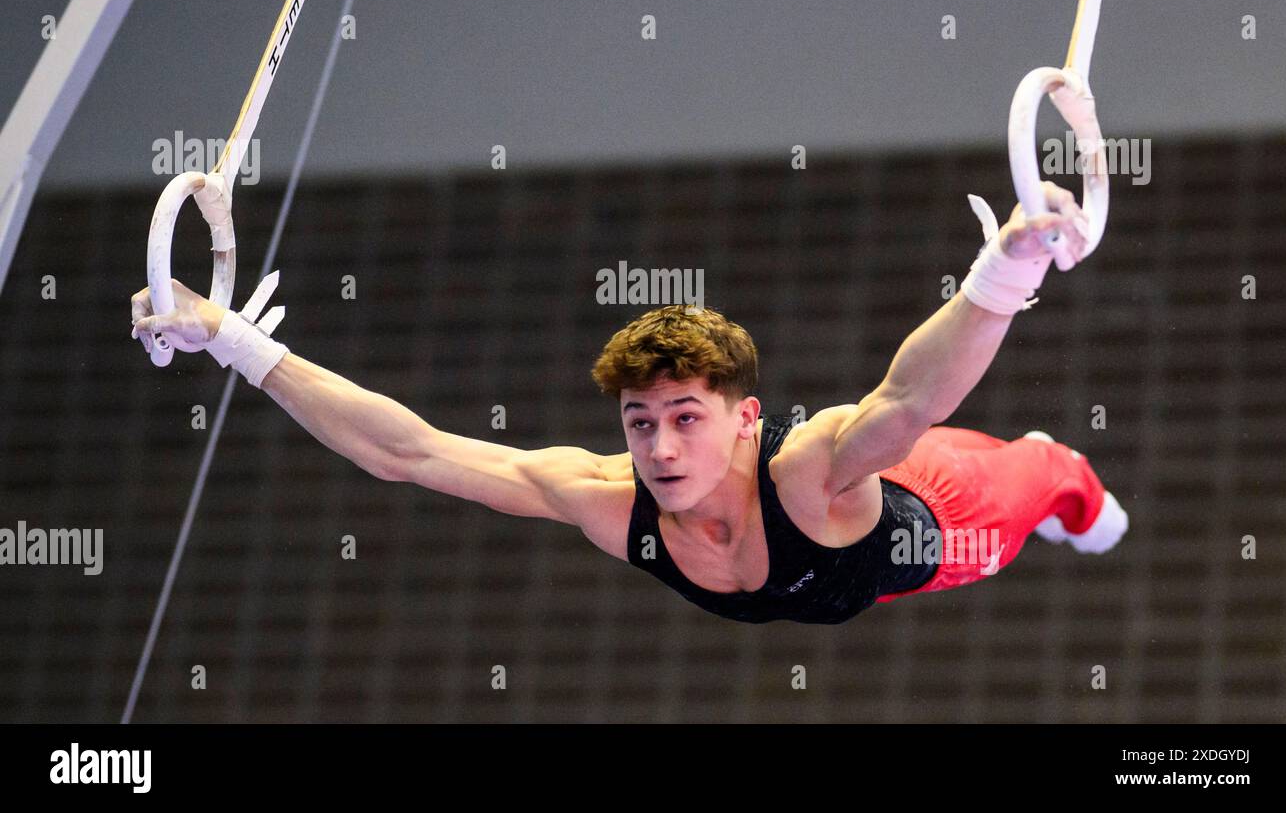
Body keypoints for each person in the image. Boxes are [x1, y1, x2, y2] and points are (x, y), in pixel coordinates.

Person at [130, 180, 1127, 625]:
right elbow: (412, 451)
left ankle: (1063, 472)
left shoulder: (806, 465)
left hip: (941, 512)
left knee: (1055, 484)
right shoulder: (608, 499)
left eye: (686, 416)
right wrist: (238, 341)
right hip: (839, 555)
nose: (658, 445)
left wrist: (1003, 272)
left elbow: (908, 398)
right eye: (641, 422)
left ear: (744, 416)